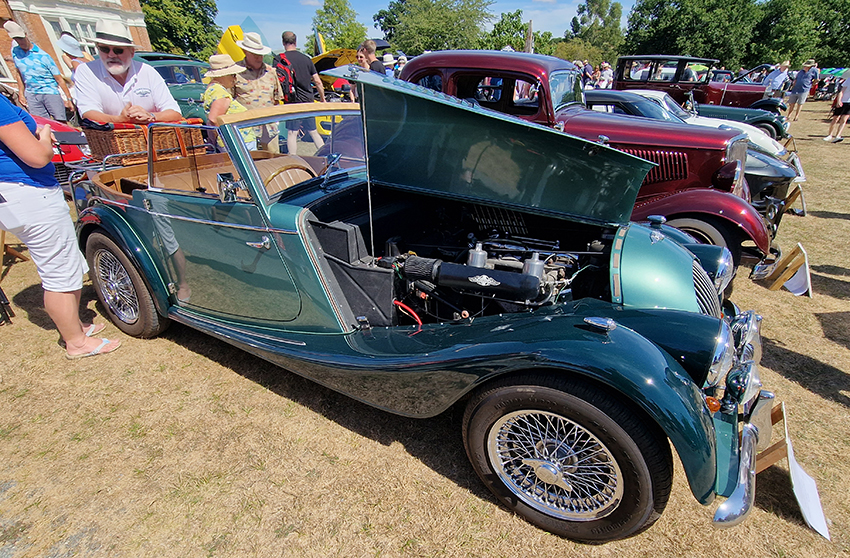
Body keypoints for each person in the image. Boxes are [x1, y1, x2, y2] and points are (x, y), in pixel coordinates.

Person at [0, 94, 121, 358]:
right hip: (29, 193)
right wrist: (44, 137)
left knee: (63, 263)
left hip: (14, 195)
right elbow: (37, 157)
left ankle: (75, 326)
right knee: (59, 271)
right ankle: (76, 342)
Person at [74, 19, 182, 124]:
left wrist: (151, 116)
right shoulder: (86, 71)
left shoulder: (147, 71)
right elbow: (88, 113)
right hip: (106, 135)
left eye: (118, 50)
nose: (111, 55)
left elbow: (175, 112)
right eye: (104, 49)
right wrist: (120, 120)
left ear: (132, 52)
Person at [3, 20, 73, 121]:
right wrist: (21, 93)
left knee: (60, 121)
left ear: (26, 35)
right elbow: (19, 73)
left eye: (21, 38)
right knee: (42, 123)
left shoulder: (43, 56)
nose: (20, 42)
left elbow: (59, 79)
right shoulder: (16, 52)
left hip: (49, 91)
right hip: (32, 94)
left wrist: (68, 98)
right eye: (16, 39)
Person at [233, 32, 282, 153]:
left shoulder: (270, 72)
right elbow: (227, 100)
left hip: (268, 125)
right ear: (245, 51)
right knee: (248, 159)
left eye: (261, 55)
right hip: (245, 128)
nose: (259, 58)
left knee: (273, 157)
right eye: (255, 55)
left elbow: (277, 98)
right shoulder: (235, 72)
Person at [279, 31, 325, 155]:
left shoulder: (280, 59)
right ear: (296, 42)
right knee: (313, 131)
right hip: (307, 100)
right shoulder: (306, 59)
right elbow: (318, 81)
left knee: (292, 133)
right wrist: (322, 99)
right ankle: (326, 156)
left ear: (283, 42)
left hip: (291, 100)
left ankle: (293, 159)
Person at [202, 54, 256, 151]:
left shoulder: (213, 89)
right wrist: (225, 139)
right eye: (233, 75)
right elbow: (214, 119)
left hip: (235, 142)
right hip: (238, 142)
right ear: (222, 75)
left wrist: (213, 141)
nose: (235, 79)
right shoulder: (219, 92)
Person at [824, 73, 850, 143]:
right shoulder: (848, 80)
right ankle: (830, 135)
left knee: (844, 119)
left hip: (849, 103)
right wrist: (839, 100)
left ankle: (838, 135)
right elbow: (841, 91)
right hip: (843, 101)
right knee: (835, 118)